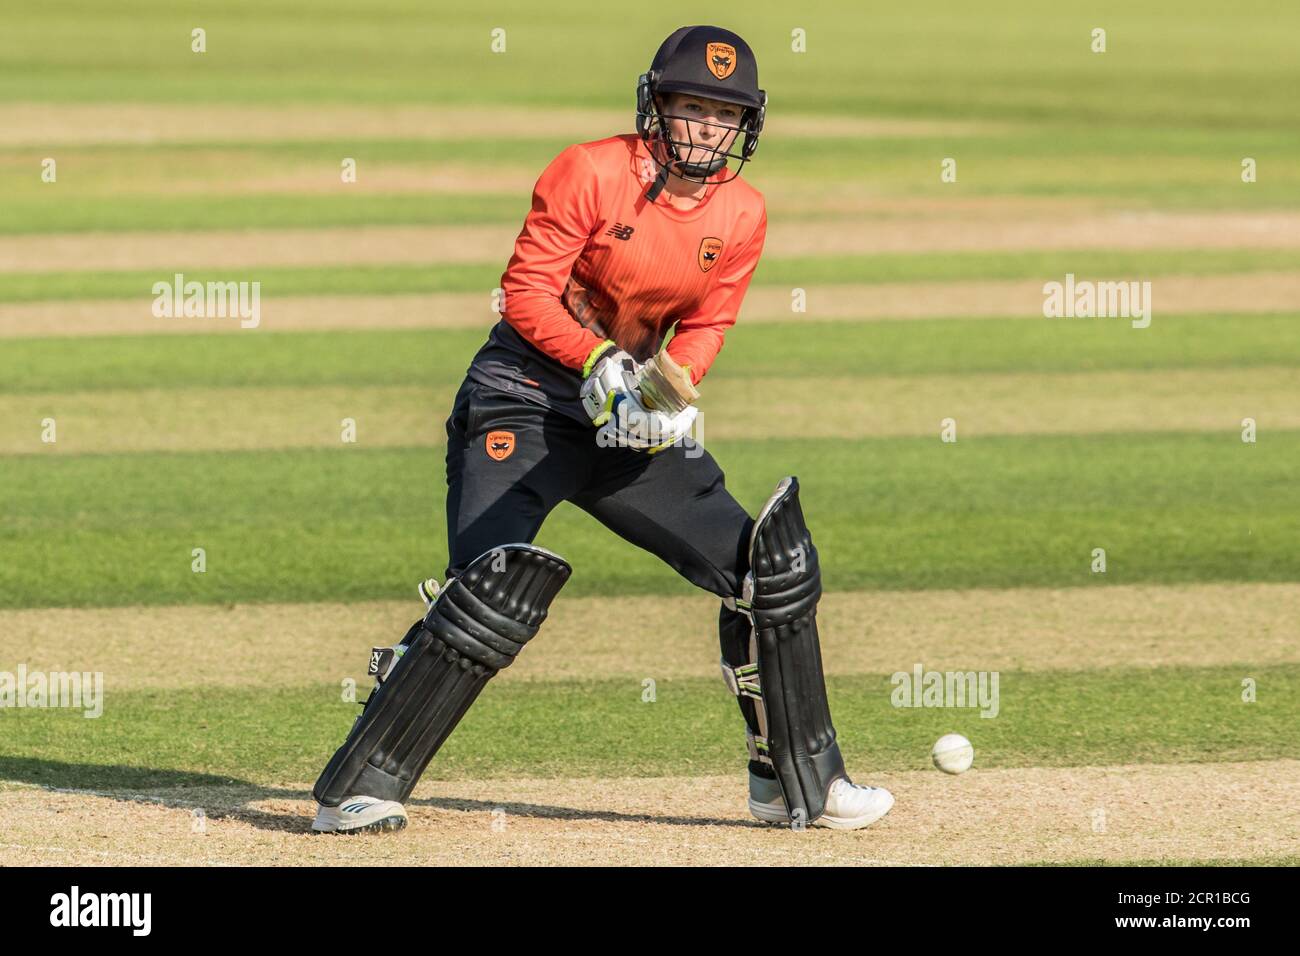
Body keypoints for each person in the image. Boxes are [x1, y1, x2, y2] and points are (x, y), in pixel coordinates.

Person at [309, 24, 894, 834]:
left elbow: (709, 322)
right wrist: (597, 363)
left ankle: (797, 779)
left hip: (630, 428)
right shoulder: (588, 170)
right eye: (690, 107)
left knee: (771, 571)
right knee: (488, 588)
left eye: (723, 115)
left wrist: (669, 391)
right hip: (525, 400)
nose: (705, 129)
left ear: (746, 126)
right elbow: (526, 294)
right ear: (656, 106)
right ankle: (360, 786)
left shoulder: (743, 212)